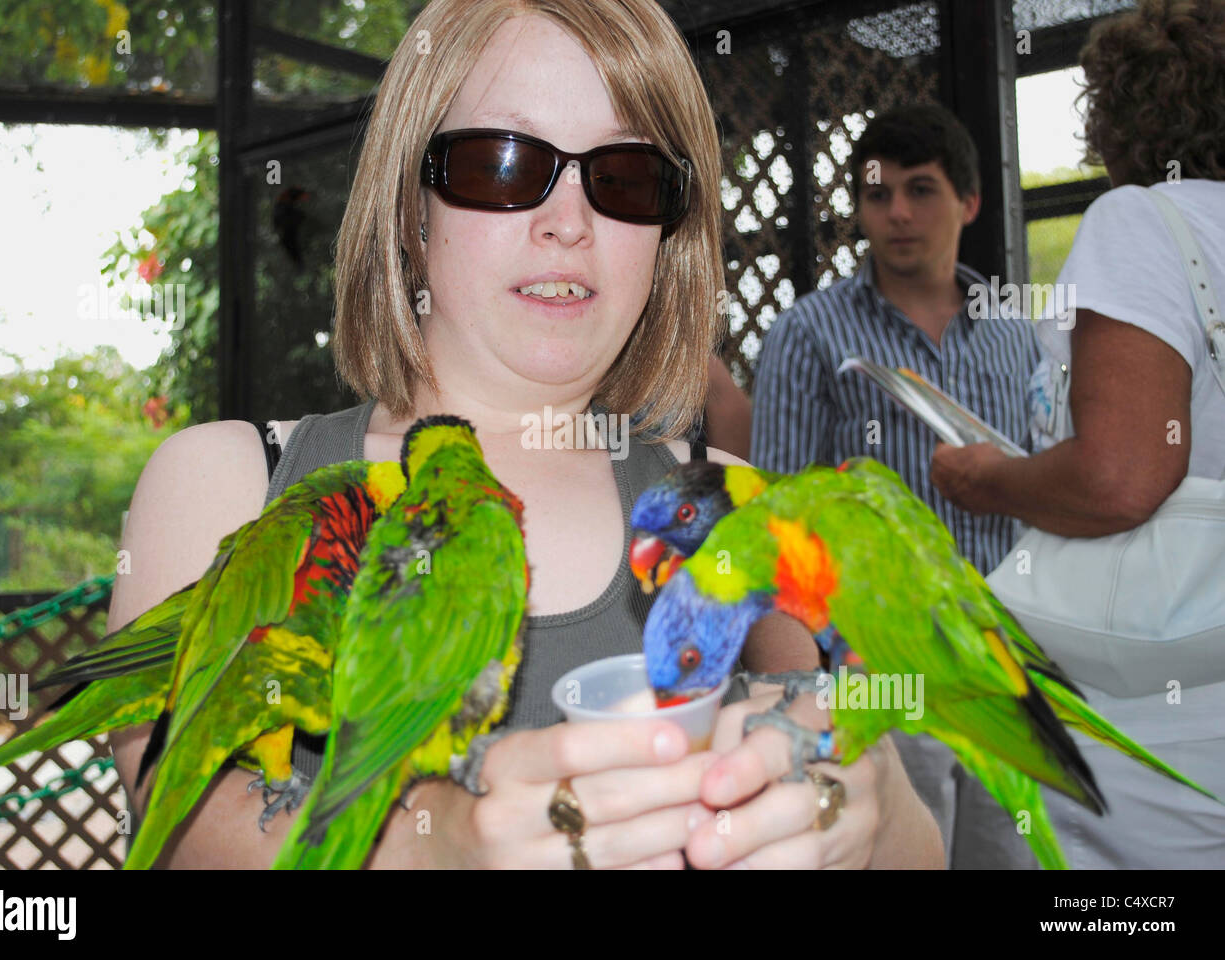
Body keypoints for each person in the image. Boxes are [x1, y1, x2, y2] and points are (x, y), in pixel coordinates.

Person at [107, 0, 942, 869]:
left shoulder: (732, 507)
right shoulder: (231, 484)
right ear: (407, 209)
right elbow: (178, 814)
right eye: (501, 165)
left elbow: (914, 843)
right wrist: (431, 845)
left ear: (665, 234)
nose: (569, 221)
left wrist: (862, 805)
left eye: (623, 177)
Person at [930, 0, 1225, 868]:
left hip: (1151, 728)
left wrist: (989, 478)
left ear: (1124, 115)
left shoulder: (1146, 222)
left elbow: (1120, 477)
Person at [750, 104, 1042, 869]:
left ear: (971, 203)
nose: (898, 213)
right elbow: (783, 519)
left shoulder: (1016, 333)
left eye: (922, 190)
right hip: (880, 666)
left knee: (1008, 858)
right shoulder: (808, 334)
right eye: (877, 195)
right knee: (903, 853)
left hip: (1002, 660)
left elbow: (1045, 489)